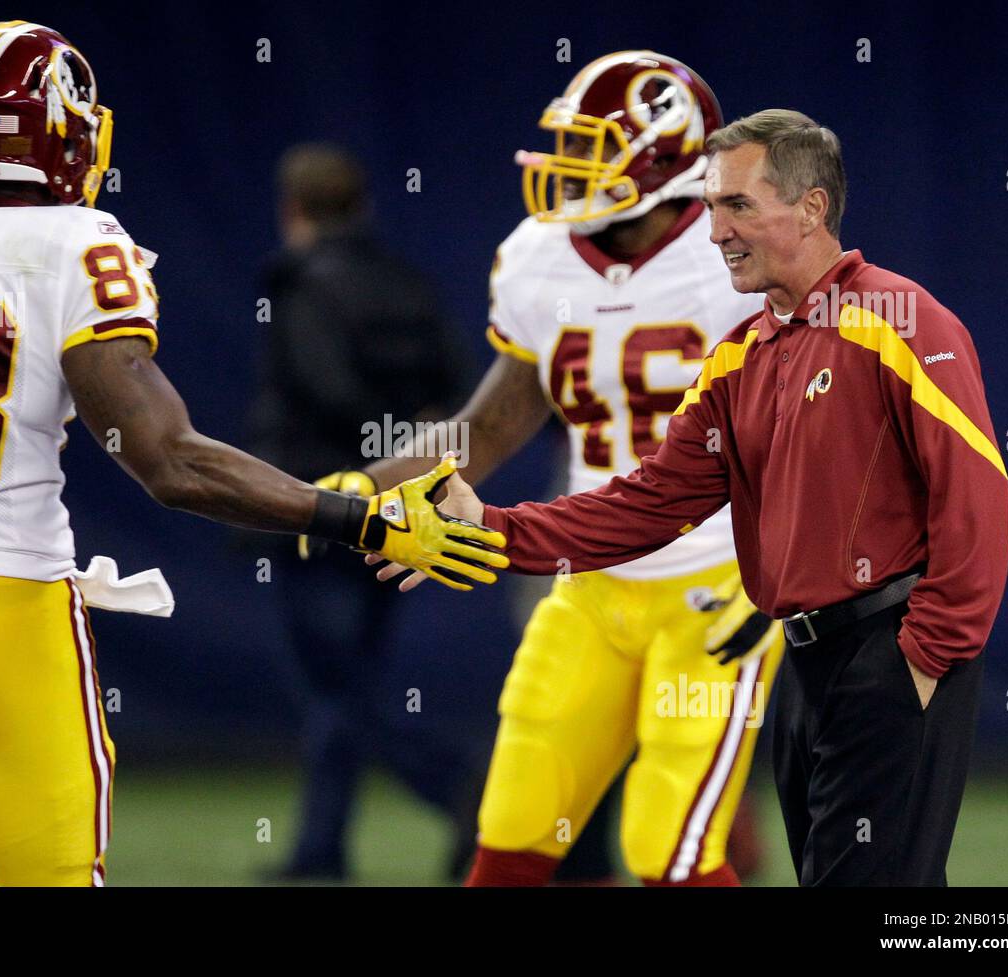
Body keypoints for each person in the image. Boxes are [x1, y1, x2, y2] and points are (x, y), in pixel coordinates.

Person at [0, 20, 502, 887]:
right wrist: (358, 519)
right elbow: (171, 462)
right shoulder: (75, 246)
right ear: (58, 130)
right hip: (5, 620)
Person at [379, 109, 1008, 886]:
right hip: (804, 659)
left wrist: (927, 655)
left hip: (890, 646)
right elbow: (648, 503)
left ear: (812, 207)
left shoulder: (899, 319)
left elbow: (977, 498)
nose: (715, 231)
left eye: (738, 205)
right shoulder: (741, 354)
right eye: (711, 206)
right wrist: (493, 524)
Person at [315, 51, 784, 886]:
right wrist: (362, 492)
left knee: (665, 845)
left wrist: (790, 568)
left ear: (666, 161)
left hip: (717, 582)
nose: (568, 172)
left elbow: (825, 433)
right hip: (591, 577)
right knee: (515, 826)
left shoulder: (740, 256)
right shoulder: (539, 255)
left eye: (593, 151)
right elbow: (490, 424)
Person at [248, 143, 480, 881]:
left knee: (342, 689)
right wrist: (409, 458)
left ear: (293, 210)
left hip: (321, 509)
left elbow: (325, 389)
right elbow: (457, 384)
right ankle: (321, 848)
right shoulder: (405, 281)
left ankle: (476, 797)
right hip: (401, 511)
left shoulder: (298, 285)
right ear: (363, 205)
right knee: (347, 687)